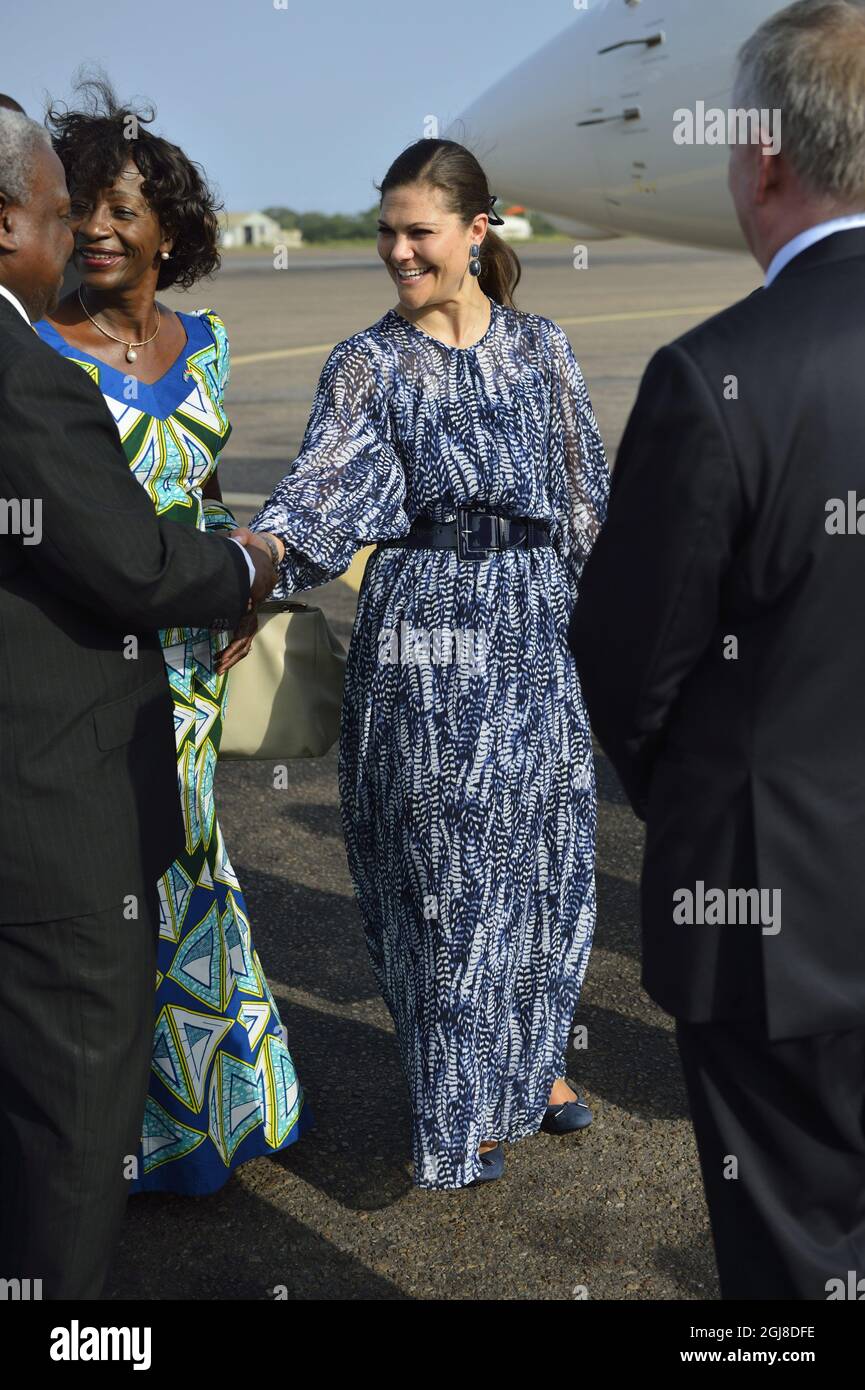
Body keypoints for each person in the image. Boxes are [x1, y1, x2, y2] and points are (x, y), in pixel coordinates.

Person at [231, 138, 609, 1188]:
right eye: (386, 231)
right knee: (442, 872)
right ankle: (460, 1112)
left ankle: (533, 1068)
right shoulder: (367, 363)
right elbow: (315, 497)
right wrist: (245, 569)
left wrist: (630, 633)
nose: (396, 250)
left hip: (536, 623)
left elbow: (588, 504)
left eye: (418, 232)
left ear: (476, 231)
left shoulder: (543, 347)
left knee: (539, 859)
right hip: (424, 631)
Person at [568, 0, 865, 1299]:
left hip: (776, 927)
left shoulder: (711, 378)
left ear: (760, 156)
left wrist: (710, 803)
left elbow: (629, 668)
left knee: (793, 1258)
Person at [35, 79, 311, 1195]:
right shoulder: (35, 353)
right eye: (83, 206)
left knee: (192, 863)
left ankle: (204, 1115)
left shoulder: (207, 344)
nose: (100, 226)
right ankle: (108, 1132)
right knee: (108, 886)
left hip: (190, 658)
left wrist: (237, 586)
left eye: (124, 208)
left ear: (171, 228)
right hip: (80, 657)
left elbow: (195, 491)